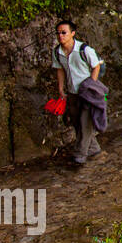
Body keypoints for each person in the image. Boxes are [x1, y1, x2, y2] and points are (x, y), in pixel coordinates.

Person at [52, 19, 103, 165]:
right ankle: (94, 149)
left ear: (72, 33)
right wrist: (61, 88)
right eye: (58, 33)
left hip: (86, 92)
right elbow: (60, 69)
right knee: (76, 123)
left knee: (85, 123)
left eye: (64, 32)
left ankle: (80, 154)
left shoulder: (84, 50)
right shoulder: (57, 52)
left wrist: (91, 86)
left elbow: (96, 66)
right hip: (72, 93)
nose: (60, 36)